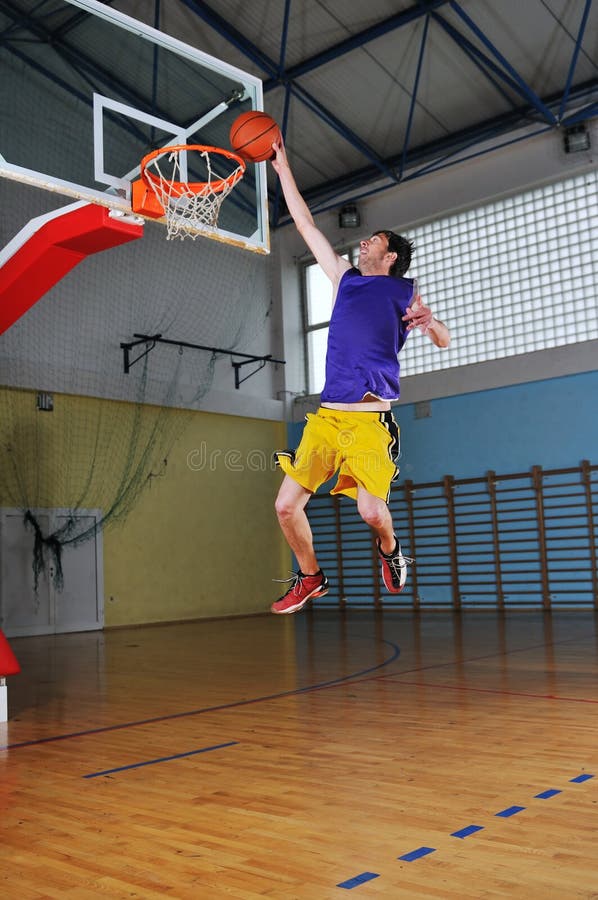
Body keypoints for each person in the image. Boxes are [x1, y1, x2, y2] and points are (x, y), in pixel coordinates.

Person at [269, 139, 450, 615]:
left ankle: (390, 550)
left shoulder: (404, 291)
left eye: (376, 239)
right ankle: (310, 577)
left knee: (370, 511)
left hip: (370, 422)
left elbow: (445, 340)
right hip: (328, 419)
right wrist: (284, 167)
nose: (365, 241)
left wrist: (429, 321)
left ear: (390, 257)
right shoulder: (344, 277)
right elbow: (305, 225)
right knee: (285, 507)